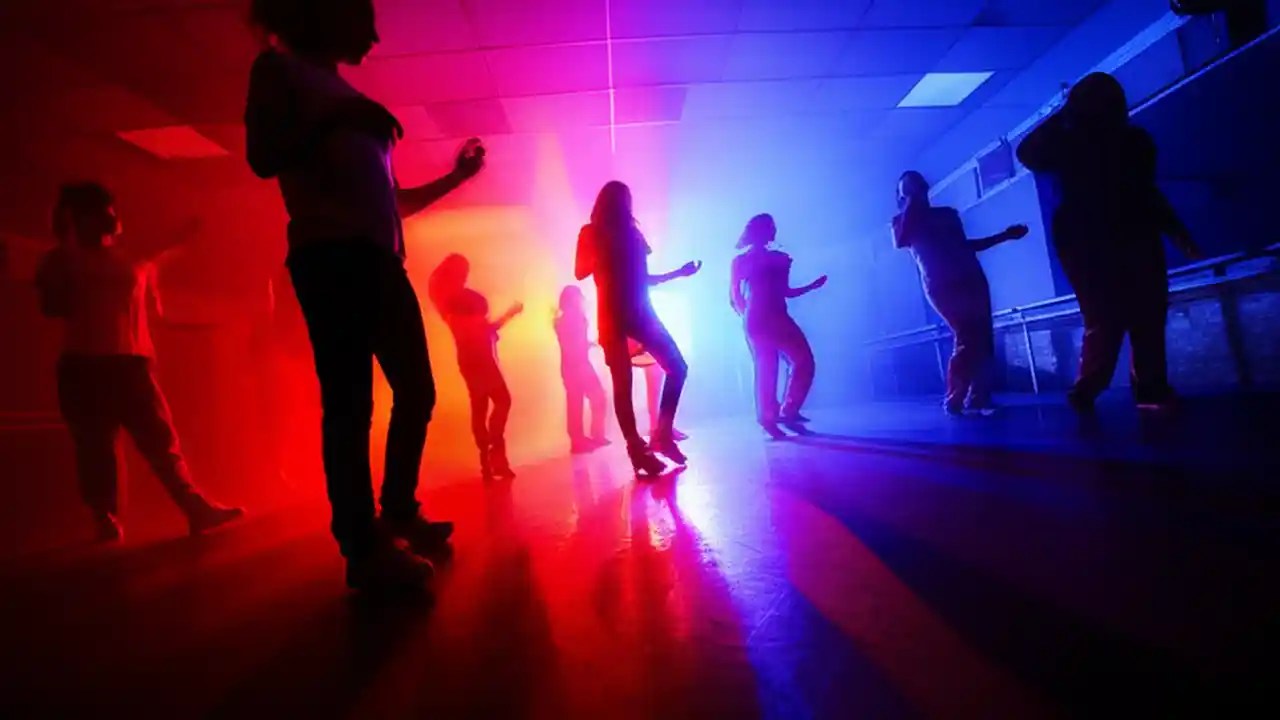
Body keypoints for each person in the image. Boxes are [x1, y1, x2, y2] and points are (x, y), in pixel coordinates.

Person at [244, 0, 485, 590]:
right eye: (365, 18)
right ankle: (362, 548)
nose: (376, 33)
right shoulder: (277, 69)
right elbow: (261, 157)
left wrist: (456, 178)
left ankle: (397, 511)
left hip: (381, 259)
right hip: (329, 255)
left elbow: (394, 202)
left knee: (418, 391)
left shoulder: (341, 95)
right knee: (351, 405)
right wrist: (345, 121)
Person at [35, 182, 244, 544]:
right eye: (101, 211)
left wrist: (201, 220)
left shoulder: (131, 257)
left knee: (157, 441)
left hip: (128, 364)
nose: (112, 217)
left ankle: (191, 510)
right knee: (97, 447)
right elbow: (53, 307)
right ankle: (107, 517)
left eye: (111, 210)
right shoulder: (62, 260)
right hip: (86, 366)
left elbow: (174, 242)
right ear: (77, 218)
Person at [1017, 72, 1201, 412]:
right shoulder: (1104, 141)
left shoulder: (1124, 143)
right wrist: (1179, 235)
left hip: (1100, 234)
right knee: (1121, 312)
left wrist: (1066, 111)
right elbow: (1027, 153)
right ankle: (1126, 387)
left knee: (1127, 311)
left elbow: (1147, 192)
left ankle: (1114, 387)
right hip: (1099, 235)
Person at [574, 181, 700, 476]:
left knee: (675, 368)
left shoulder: (632, 234)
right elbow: (580, 272)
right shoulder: (591, 233)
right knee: (625, 384)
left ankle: (661, 435)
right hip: (617, 316)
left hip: (639, 313)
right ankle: (638, 449)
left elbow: (645, 279)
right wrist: (603, 250)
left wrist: (677, 274)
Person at [893, 171, 1029, 415]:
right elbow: (902, 240)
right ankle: (955, 396)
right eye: (910, 190)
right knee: (967, 334)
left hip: (971, 277)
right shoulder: (901, 223)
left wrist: (1004, 236)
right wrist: (911, 199)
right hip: (942, 284)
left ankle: (979, 396)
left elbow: (965, 245)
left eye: (919, 187)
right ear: (903, 196)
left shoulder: (947, 215)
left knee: (983, 336)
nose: (918, 192)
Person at [730, 214, 826, 437]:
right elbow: (736, 295)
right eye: (770, 227)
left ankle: (778, 414)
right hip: (764, 316)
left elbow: (736, 296)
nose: (773, 230)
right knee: (788, 363)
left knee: (779, 364)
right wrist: (811, 287)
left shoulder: (774, 259)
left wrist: (747, 316)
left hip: (763, 316)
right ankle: (780, 413)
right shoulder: (771, 259)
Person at [428, 254, 521, 479]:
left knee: (479, 406)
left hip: (469, 360)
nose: (466, 276)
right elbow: (483, 330)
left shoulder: (449, 302)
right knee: (501, 400)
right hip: (480, 359)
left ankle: (487, 462)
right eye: (464, 271)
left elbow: (479, 330)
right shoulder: (458, 302)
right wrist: (509, 314)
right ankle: (494, 453)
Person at [554, 286, 609, 454]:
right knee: (587, 400)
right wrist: (586, 345)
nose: (580, 300)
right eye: (577, 298)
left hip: (576, 365)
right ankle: (584, 439)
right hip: (576, 366)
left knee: (580, 402)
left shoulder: (568, 319)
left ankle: (584, 439)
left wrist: (587, 344)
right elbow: (571, 345)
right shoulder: (571, 319)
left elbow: (573, 343)